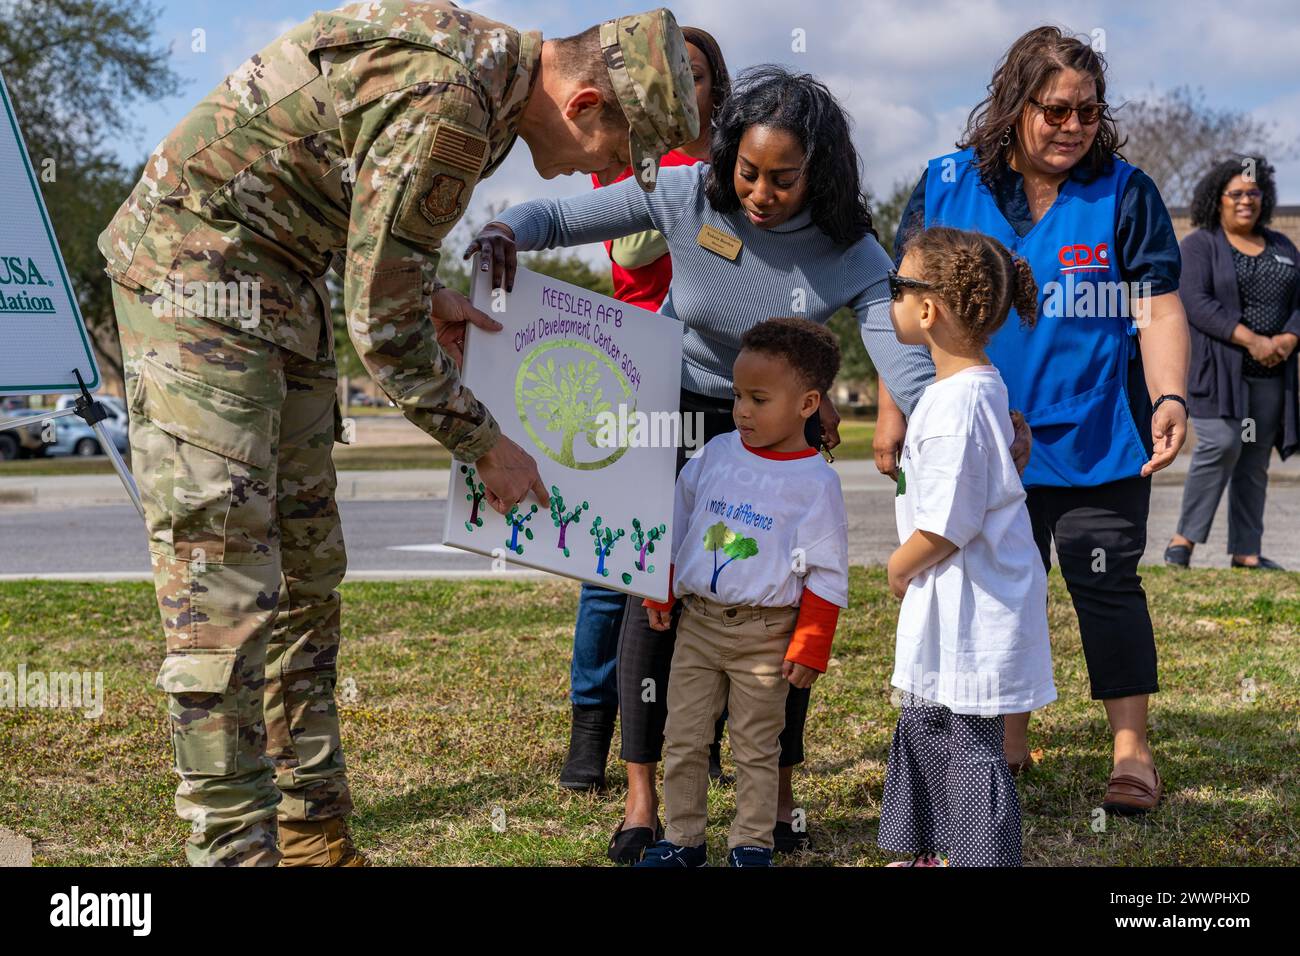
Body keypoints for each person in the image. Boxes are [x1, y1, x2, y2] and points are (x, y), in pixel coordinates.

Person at [96, 0, 699, 866]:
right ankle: (234, 853)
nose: (590, 177)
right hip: (199, 277)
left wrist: (424, 299)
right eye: (614, 157)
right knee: (223, 585)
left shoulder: (487, 91)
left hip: (283, 281)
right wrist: (482, 440)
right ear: (586, 105)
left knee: (307, 573)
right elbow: (380, 333)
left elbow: (373, 255)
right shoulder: (460, 100)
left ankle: (310, 834)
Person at [465, 65, 1030, 861]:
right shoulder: (685, 190)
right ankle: (641, 799)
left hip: (778, 432)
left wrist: (984, 405)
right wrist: (504, 233)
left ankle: (777, 790)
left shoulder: (849, 251)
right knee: (650, 596)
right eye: (749, 172)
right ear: (728, 155)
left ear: (818, 173)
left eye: (784, 179)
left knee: (781, 603)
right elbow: (554, 213)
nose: (761, 193)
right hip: (674, 406)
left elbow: (911, 367)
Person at [884, 25, 1190, 814]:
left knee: (1107, 583)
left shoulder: (1125, 192)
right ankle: (1004, 744)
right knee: (992, 588)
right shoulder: (946, 182)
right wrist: (893, 408)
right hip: (980, 435)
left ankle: (1132, 752)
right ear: (1015, 105)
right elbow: (897, 304)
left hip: (1096, 435)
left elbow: (1156, 309)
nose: (1072, 127)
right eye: (1054, 110)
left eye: (1088, 113)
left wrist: (1169, 398)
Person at [561, 27, 731, 795]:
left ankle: (703, 739)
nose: (685, 92)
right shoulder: (626, 162)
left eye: (697, 78)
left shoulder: (742, 168)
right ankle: (590, 738)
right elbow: (632, 256)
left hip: (722, 381)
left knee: (711, 561)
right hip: (641, 372)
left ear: (716, 91)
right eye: (673, 78)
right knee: (614, 568)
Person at [634, 318, 849, 868]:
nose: (743, 410)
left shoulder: (817, 482)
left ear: (808, 404)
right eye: (737, 396)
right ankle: (682, 841)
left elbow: (826, 572)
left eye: (759, 398)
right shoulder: (716, 453)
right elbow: (678, 525)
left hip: (766, 634)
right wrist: (661, 590)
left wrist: (811, 644)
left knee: (755, 747)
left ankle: (751, 845)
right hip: (699, 626)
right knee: (683, 739)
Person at [879, 227, 1056, 868]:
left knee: (969, 739)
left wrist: (900, 567)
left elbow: (951, 521)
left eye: (899, 286)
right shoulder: (968, 389)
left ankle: (979, 857)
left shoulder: (960, 402)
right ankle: (925, 846)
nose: (891, 296)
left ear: (928, 309)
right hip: (954, 592)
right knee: (928, 718)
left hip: (971, 597)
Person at [1165, 157, 1300, 570]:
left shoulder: (1281, 246)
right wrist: (1252, 340)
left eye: (1254, 193)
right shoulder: (1201, 244)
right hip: (1218, 374)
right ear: (1217, 199)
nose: (1247, 201)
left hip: (1271, 375)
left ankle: (1246, 553)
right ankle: (1181, 543)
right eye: (1237, 193)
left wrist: (1288, 338)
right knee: (1221, 444)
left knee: (1255, 458)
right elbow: (1195, 302)